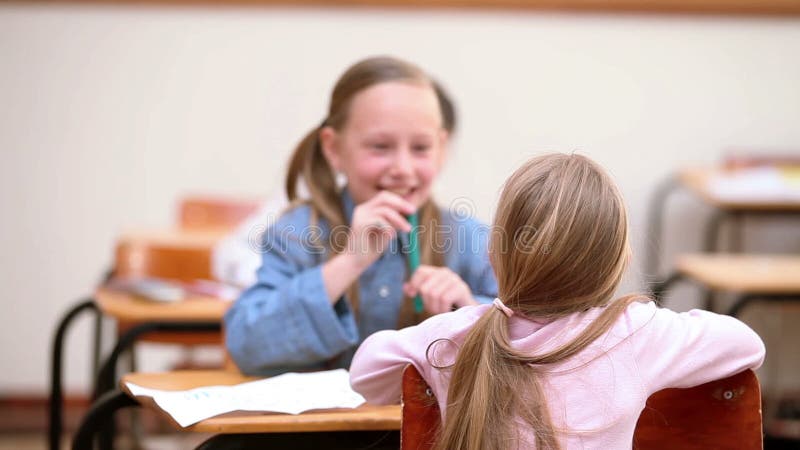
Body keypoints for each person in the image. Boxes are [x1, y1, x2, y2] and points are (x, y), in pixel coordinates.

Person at [350, 153, 765, 450]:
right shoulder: (639, 333)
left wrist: (459, 319)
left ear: (493, 255)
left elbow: (366, 373)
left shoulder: (452, 337)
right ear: (620, 261)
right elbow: (747, 344)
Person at [224, 56, 498, 376]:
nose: (403, 169)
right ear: (334, 149)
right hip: (318, 426)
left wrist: (468, 309)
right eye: (380, 147)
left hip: (431, 427)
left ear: (442, 148)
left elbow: (529, 339)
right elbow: (247, 345)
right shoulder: (296, 233)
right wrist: (348, 263)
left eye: (421, 148)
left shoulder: (472, 240)